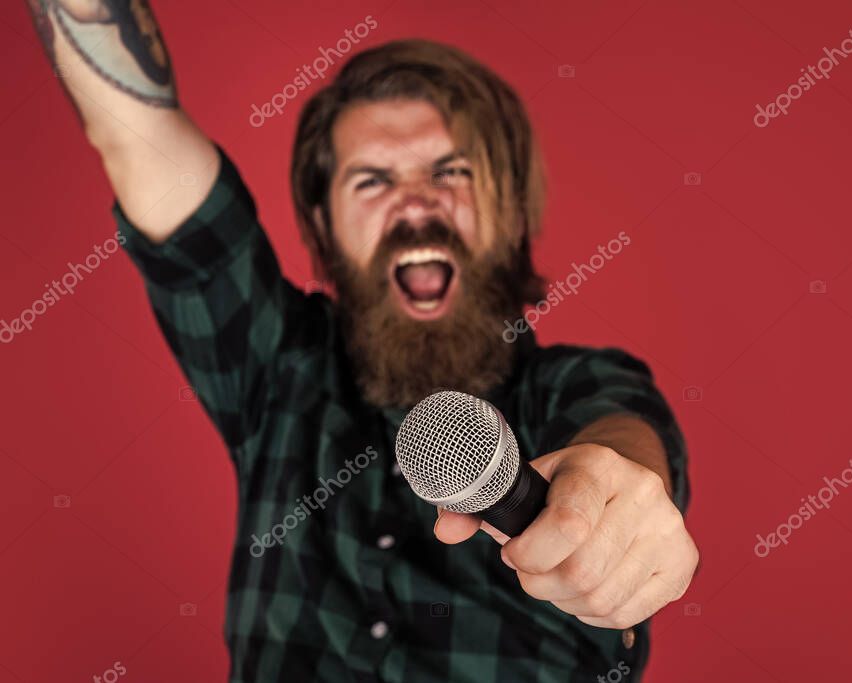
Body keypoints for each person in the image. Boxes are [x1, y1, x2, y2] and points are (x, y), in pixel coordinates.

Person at [26, 1, 699, 680]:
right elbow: (137, 133)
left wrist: (616, 501)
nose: (413, 202)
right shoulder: (279, 367)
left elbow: (622, 444)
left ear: (510, 206)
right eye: (372, 180)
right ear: (324, 222)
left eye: (451, 171)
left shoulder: (575, 382)